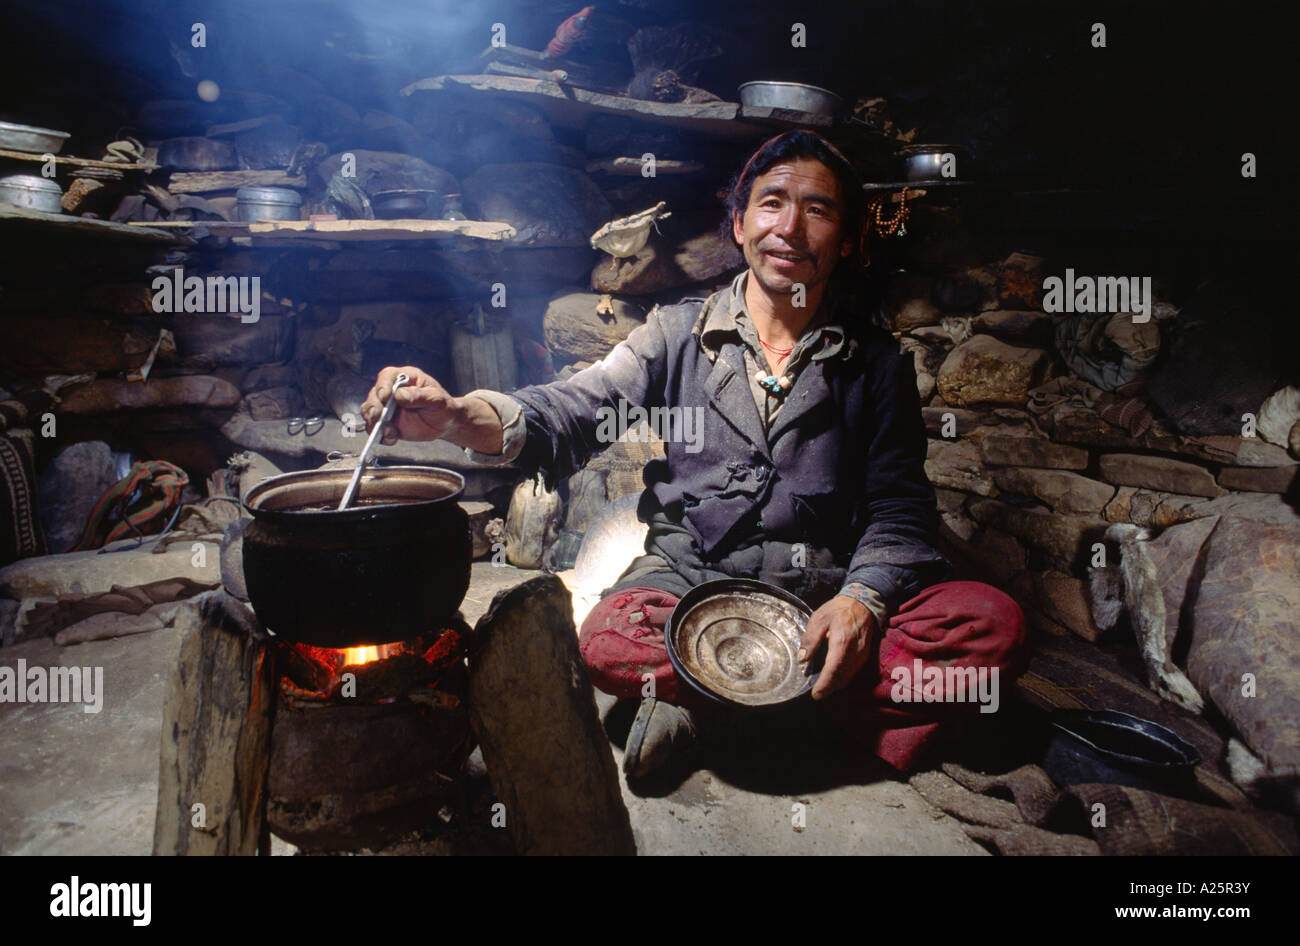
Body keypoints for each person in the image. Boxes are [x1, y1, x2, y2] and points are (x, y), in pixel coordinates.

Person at [361, 130, 1028, 780]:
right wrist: (453, 415)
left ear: (846, 240)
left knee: (991, 625)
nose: (790, 227)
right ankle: (810, 718)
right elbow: (570, 411)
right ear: (738, 224)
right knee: (607, 640)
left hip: (822, 593)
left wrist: (862, 602)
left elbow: (900, 509)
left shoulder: (876, 365)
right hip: (693, 584)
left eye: (818, 209)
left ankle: (710, 715)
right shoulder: (675, 335)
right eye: (771, 203)